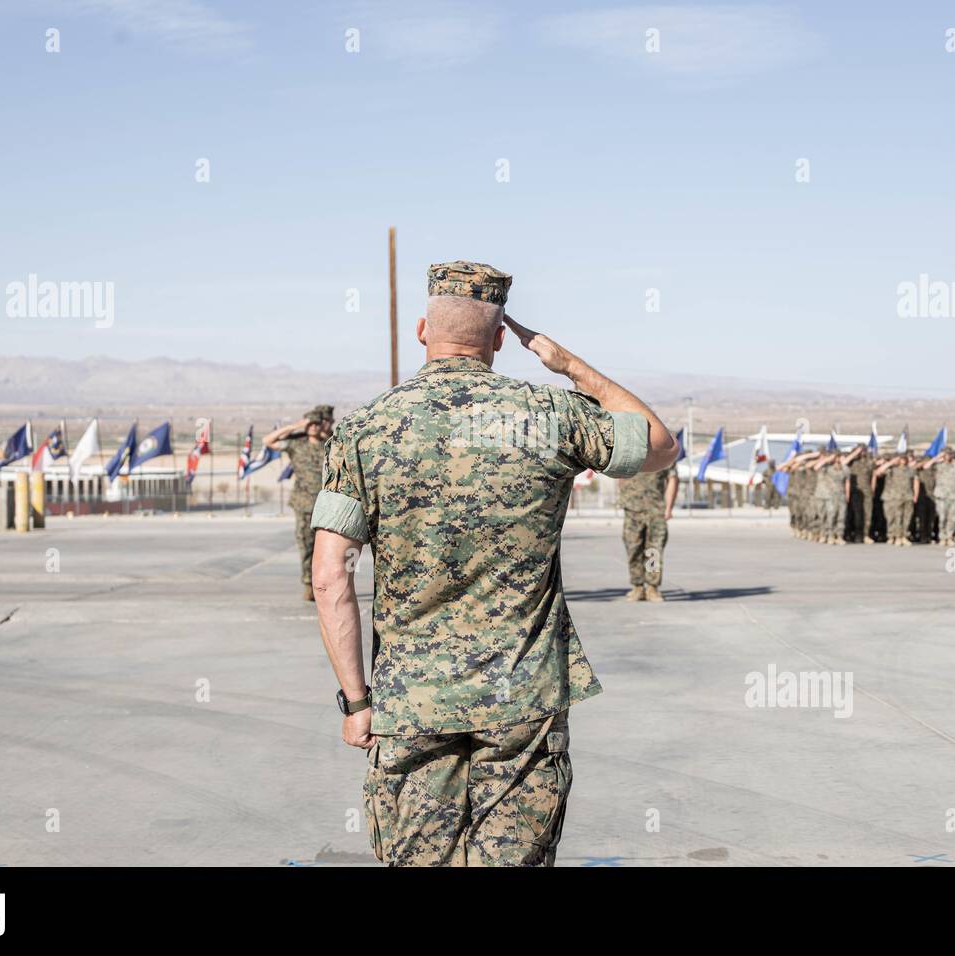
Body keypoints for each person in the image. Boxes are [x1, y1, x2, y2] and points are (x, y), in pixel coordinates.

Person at [308, 260, 677, 867]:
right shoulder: (554, 414)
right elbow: (660, 445)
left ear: (423, 330)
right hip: (521, 700)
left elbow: (329, 578)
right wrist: (571, 366)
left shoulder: (364, 429)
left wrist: (356, 701)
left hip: (411, 702)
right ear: (501, 338)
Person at [265, 408, 331, 600]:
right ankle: (309, 583)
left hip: (326, 505)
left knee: (327, 548)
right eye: (309, 424)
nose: (313, 427)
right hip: (303, 504)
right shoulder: (296, 444)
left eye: (316, 424)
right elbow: (268, 441)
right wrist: (295, 426)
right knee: (305, 546)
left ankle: (325, 583)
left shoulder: (328, 445)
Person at [619, 462, 679, 602]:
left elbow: (672, 478)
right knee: (633, 547)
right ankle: (638, 586)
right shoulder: (631, 450)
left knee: (654, 551)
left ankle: (652, 587)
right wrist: (624, 499)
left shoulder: (663, 449)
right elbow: (620, 475)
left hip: (656, 510)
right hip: (632, 509)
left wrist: (668, 508)